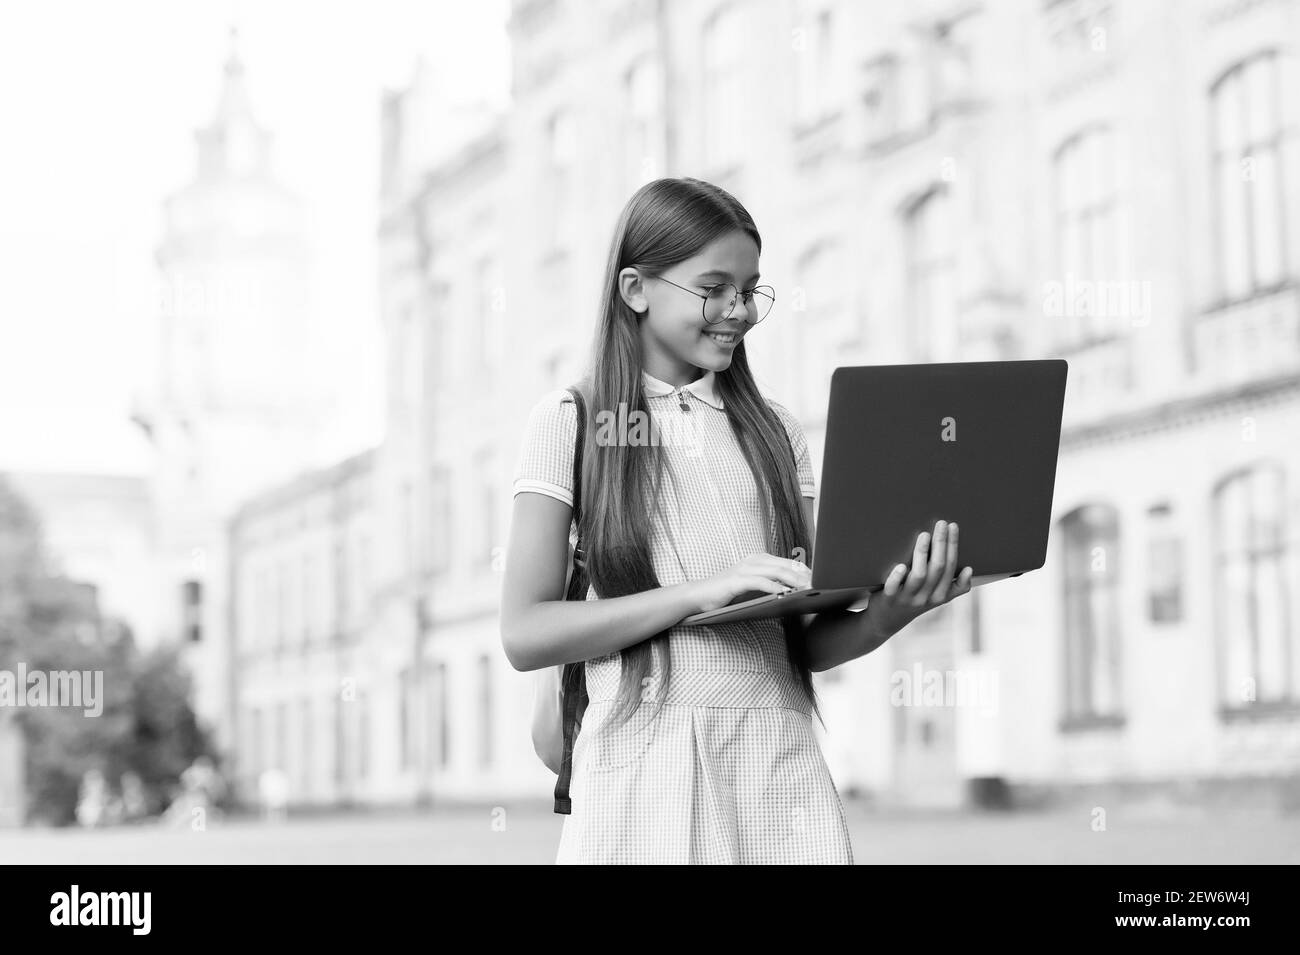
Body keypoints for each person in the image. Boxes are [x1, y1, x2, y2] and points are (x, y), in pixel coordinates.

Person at [501, 177, 973, 864]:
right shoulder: (571, 422)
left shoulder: (774, 430)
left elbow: (805, 638)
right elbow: (524, 632)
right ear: (636, 289)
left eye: (750, 289)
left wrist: (892, 610)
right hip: (641, 781)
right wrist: (701, 592)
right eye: (714, 287)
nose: (739, 310)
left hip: (780, 775)